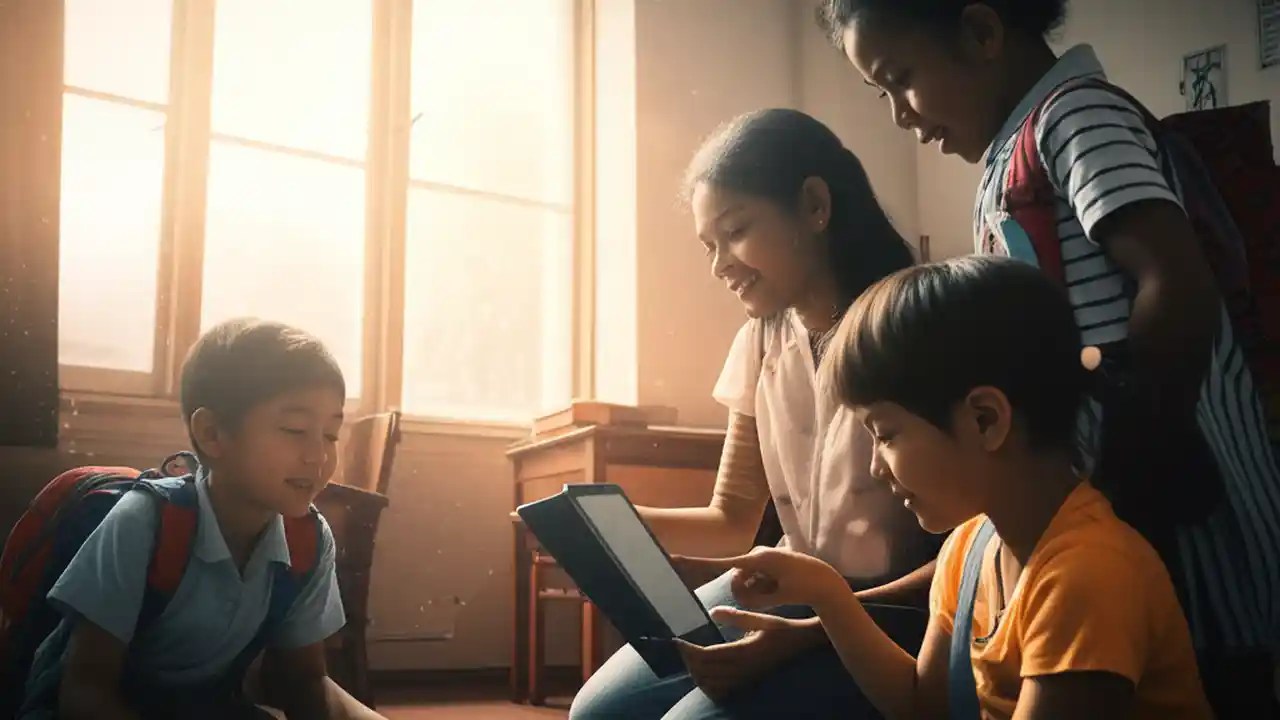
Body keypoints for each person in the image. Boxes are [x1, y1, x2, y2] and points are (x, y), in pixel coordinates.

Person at [817, 0, 1280, 713]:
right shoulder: (1007, 163)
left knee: (1216, 666)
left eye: (900, 78)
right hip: (1109, 492)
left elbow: (1172, 280)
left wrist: (1134, 458)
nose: (900, 117)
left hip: (1178, 484)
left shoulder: (1074, 117)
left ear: (979, 31)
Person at [679, 256, 1214, 718]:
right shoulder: (971, 549)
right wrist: (826, 593)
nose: (875, 468)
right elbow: (924, 706)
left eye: (885, 434)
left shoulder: (1086, 577)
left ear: (985, 420)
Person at [569, 108, 937, 720]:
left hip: (888, 609)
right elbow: (731, 518)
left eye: (735, 231)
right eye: (709, 246)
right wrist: (610, 524)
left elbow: (969, 556)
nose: (720, 265)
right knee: (598, 713)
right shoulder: (762, 339)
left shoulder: (915, 325)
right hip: (790, 588)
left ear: (815, 207)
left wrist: (812, 630)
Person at [21, 318, 385, 720]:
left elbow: (304, 682)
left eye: (331, 434)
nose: (319, 455)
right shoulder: (146, 524)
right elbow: (84, 692)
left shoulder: (308, 541)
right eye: (295, 429)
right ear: (212, 434)